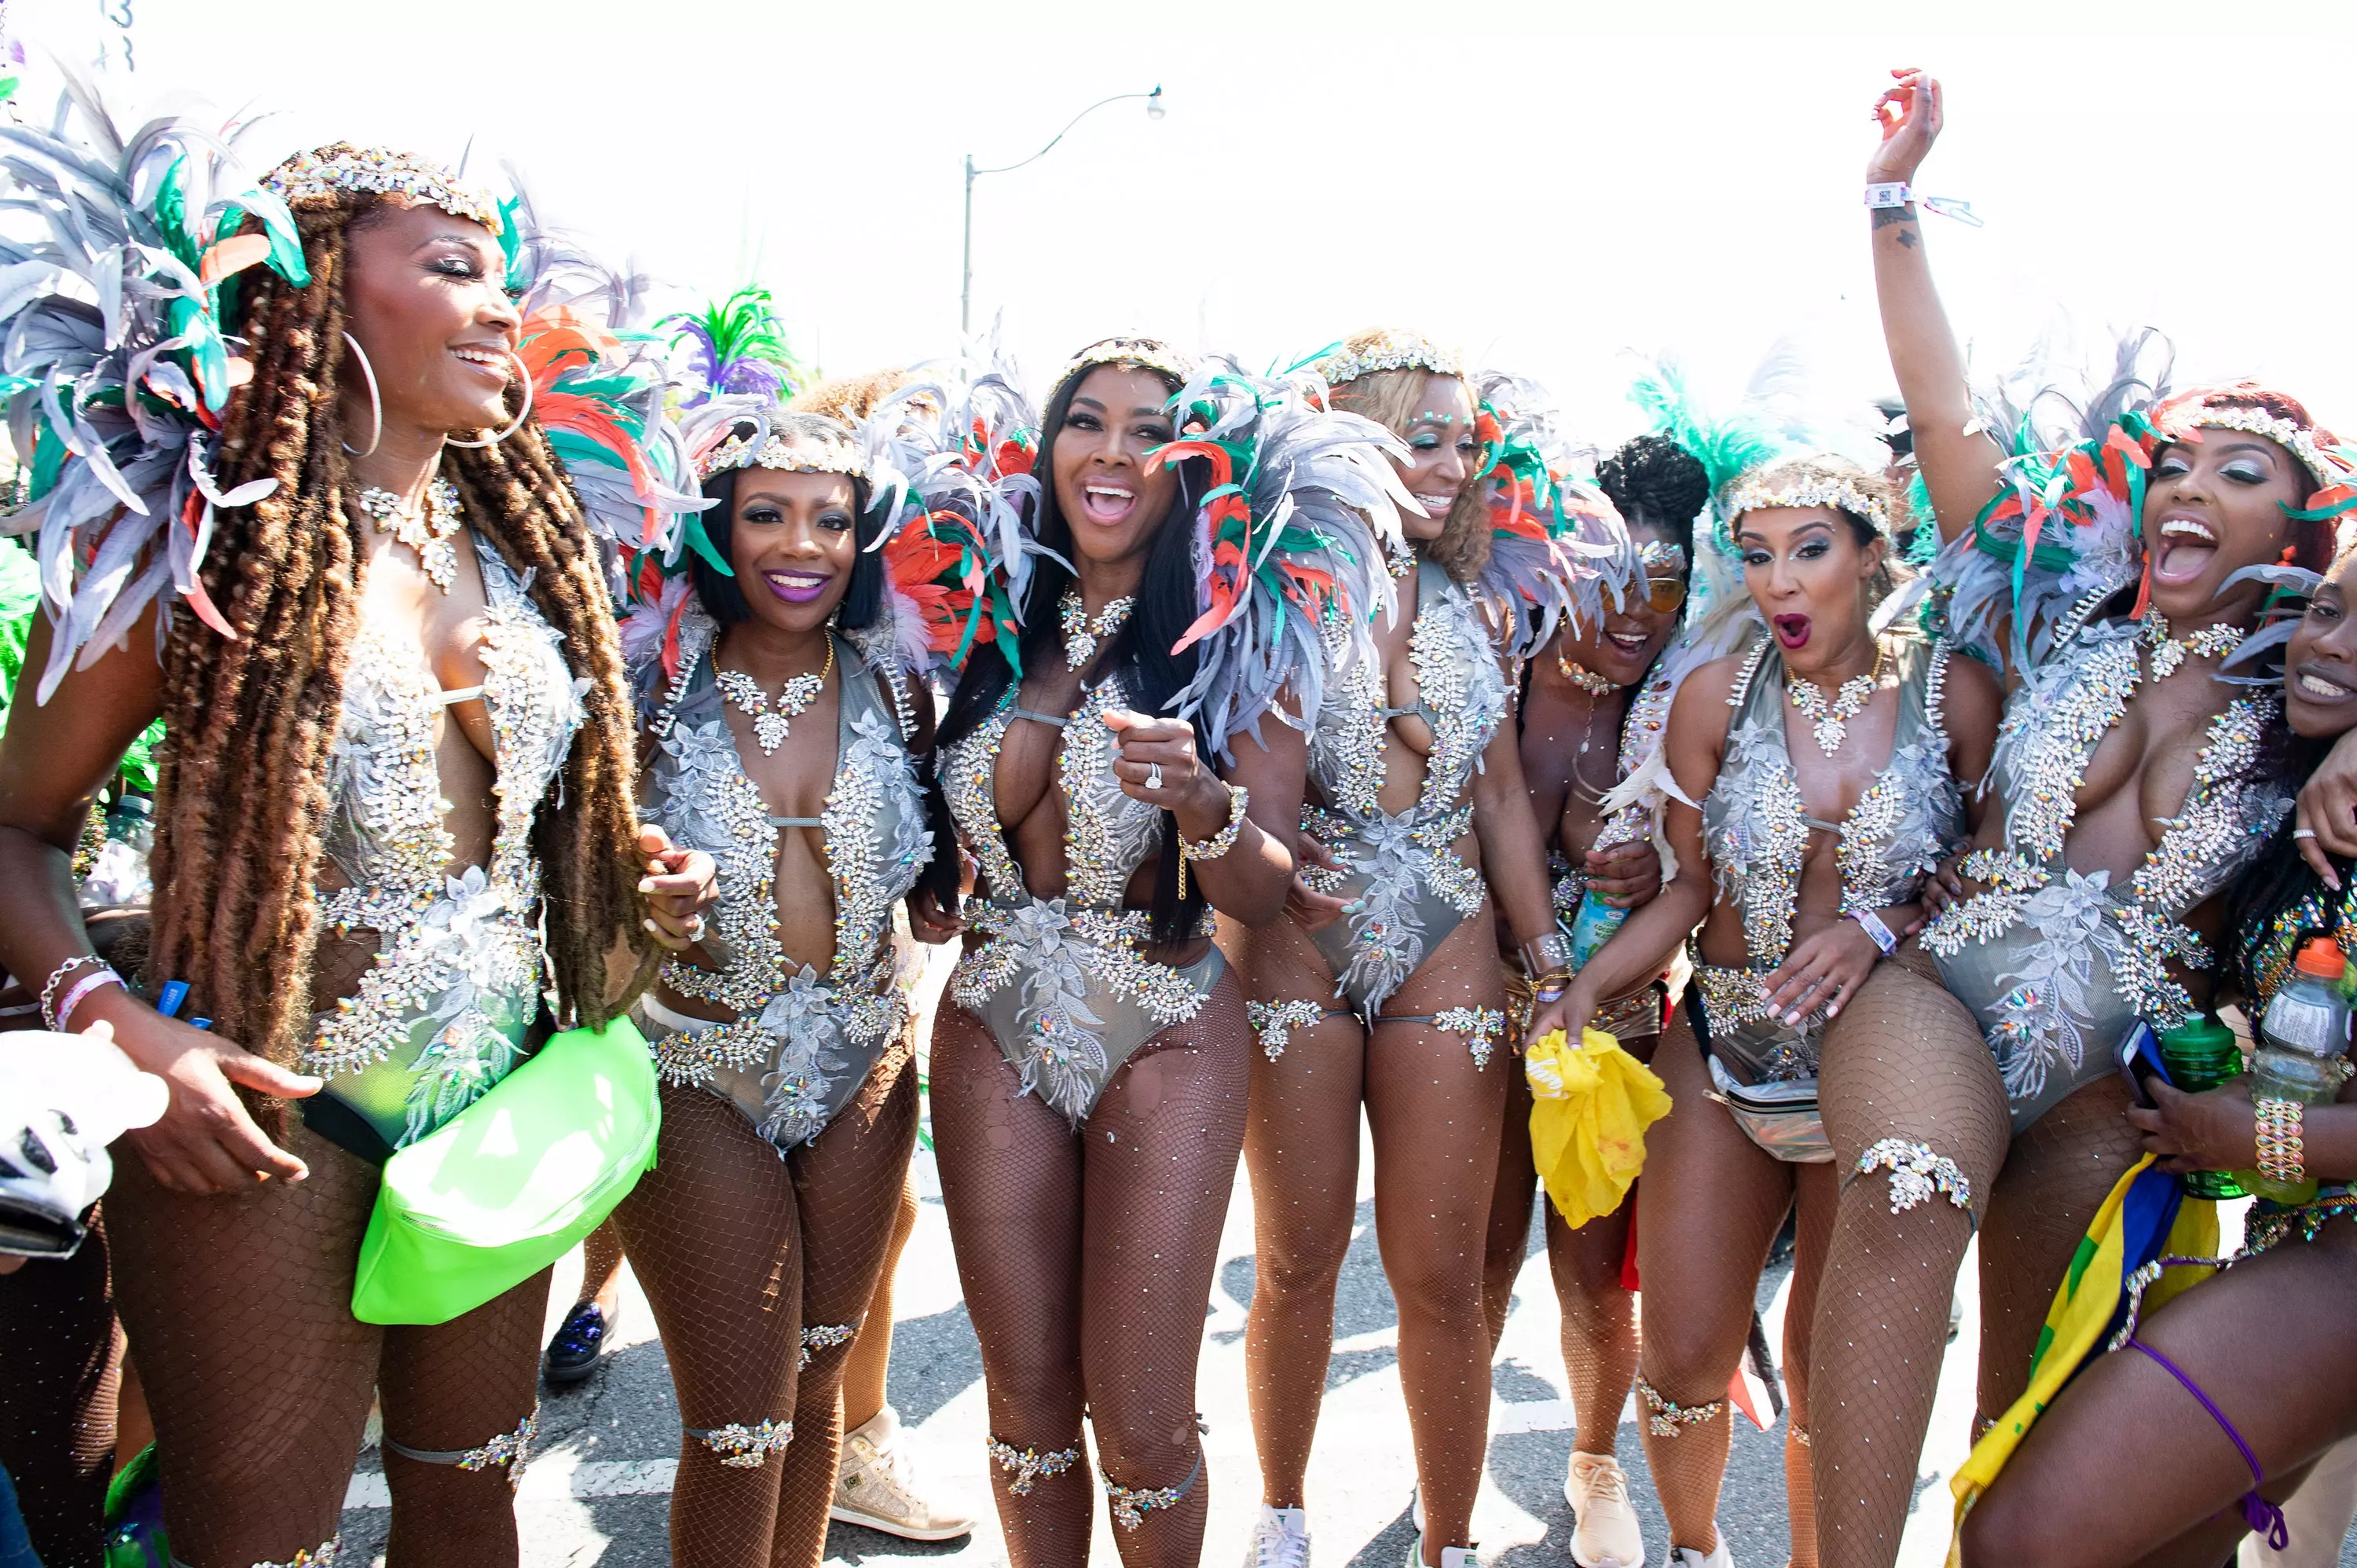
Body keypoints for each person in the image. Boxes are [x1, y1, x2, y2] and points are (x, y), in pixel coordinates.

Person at [0, 117, 713, 1568]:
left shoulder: (522, 546)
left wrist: (619, 876)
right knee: (260, 1541)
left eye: (502, 271)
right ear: (315, 289)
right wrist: (126, 1026)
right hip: (266, 1121)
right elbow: (16, 826)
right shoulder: (190, 549)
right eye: (452, 265)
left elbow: (520, 831)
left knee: (468, 1507)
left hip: (498, 1106)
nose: (503, 302)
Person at [1868, 68, 2325, 1451]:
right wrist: (1893, 197)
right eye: (2180, 464)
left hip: (2119, 1083)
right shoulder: (2059, 604)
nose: (2194, 487)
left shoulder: (2319, 707)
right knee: (1880, 1321)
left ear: (2301, 542)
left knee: (2026, 1408)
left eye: (2245, 474)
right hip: (1949, 993)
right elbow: (1944, 419)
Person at [926, 341, 1402, 1568]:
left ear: (1192, 470)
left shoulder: (1237, 632)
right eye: (1088, 422)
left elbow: (1273, 888)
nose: (1115, 451)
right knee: (1026, 1405)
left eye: (1152, 431)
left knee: (1138, 1423)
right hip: (988, 1017)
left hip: (1168, 1021)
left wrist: (1200, 802)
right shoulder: (981, 610)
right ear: (1048, 448)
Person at [1557, 451, 2000, 1568]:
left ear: (1869, 551)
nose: (1780, 583)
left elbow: (1999, 868)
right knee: (1684, 1356)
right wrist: (1589, 988)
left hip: (1873, 1054)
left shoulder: (1951, 690)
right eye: (1758, 557)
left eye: (1810, 550)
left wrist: (1888, 924)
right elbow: (1692, 888)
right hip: (1730, 1043)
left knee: (1825, 1366)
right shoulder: (1718, 695)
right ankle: (1697, 1552)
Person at [607, 296, 966, 1566]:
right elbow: (574, 868)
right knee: (738, 1419)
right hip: (697, 1065)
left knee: (815, 1394)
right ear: (718, 526)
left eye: (830, 517)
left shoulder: (901, 678)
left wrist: (941, 885)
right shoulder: (650, 681)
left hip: (867, 1061)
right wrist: (637, 895)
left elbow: (934, 860)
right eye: (767, 513)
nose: (801, 544)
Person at [1233, 330, 1581, 1568]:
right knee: (1296, 1259)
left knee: (1440, 1275)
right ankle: (1281, 1512)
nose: (1447, 464)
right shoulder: (1273, 589)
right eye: (1421, 436)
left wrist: (1550, 969)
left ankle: (1448, 1540)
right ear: (1355, 435)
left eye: (1463, 442)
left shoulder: (1479, 600)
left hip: (1447, 939)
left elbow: (1496, 802)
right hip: (1297, 946)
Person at [1955, 544, 2357, 1566]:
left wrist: (2250, 1132)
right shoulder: (2304, 800)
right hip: (2297, 1242)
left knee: (2022, 1538)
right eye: (2329, 610)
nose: (2332, 647)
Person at [1482, 427, 1710, 1568]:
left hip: (1613, 1019)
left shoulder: (1682, 695)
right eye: (1608, 584)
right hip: (1470, 1011)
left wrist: (1654, 868)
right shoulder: (1493, 664)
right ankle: (1448, 1464)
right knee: (1468, 1261)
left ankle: (1593, 1462)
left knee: (1588, 1266)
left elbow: (1722, 865)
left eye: (1663, 586)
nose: (1635, 614)